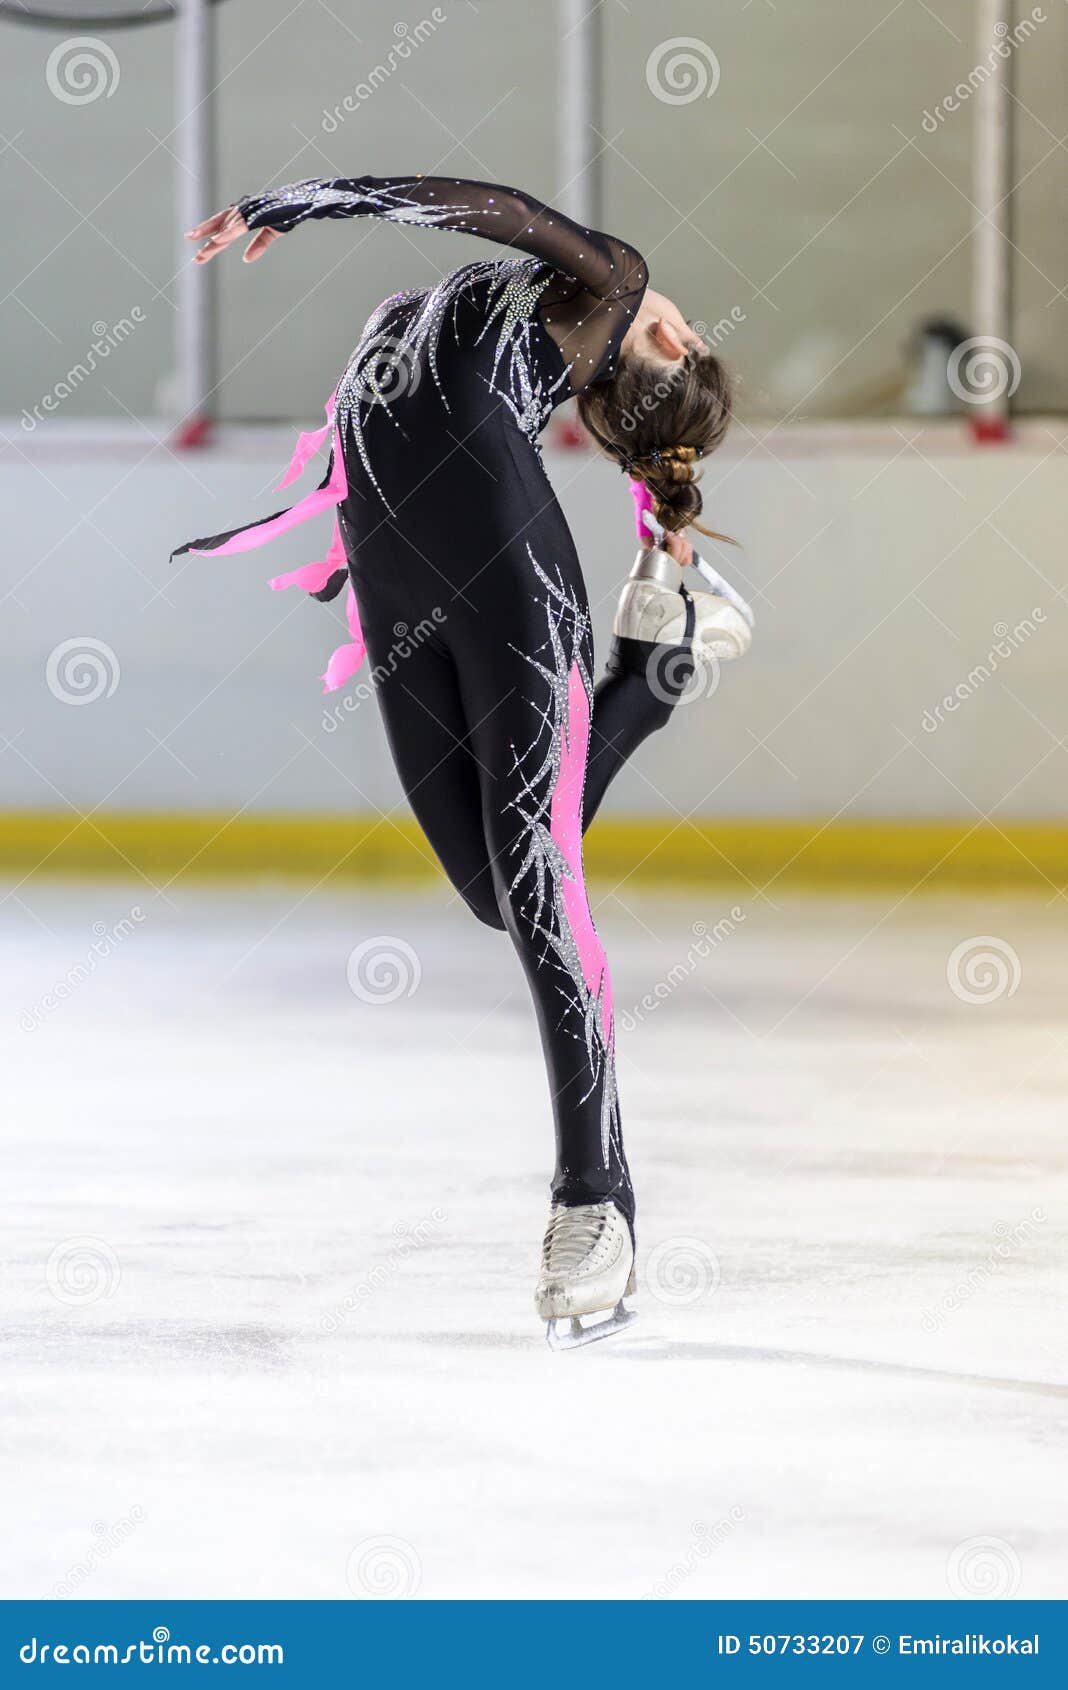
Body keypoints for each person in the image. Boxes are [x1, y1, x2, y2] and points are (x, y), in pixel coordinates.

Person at [178, 172, 750, 1348]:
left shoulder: (616, 283)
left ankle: (596, 1200)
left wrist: (307, 199)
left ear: (666, 337)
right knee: (498, 889)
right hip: (392, 562)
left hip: (507, 576)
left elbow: (491, 205)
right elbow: (498, 230)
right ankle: (657, 673)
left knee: (539, 889)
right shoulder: (567, 319)